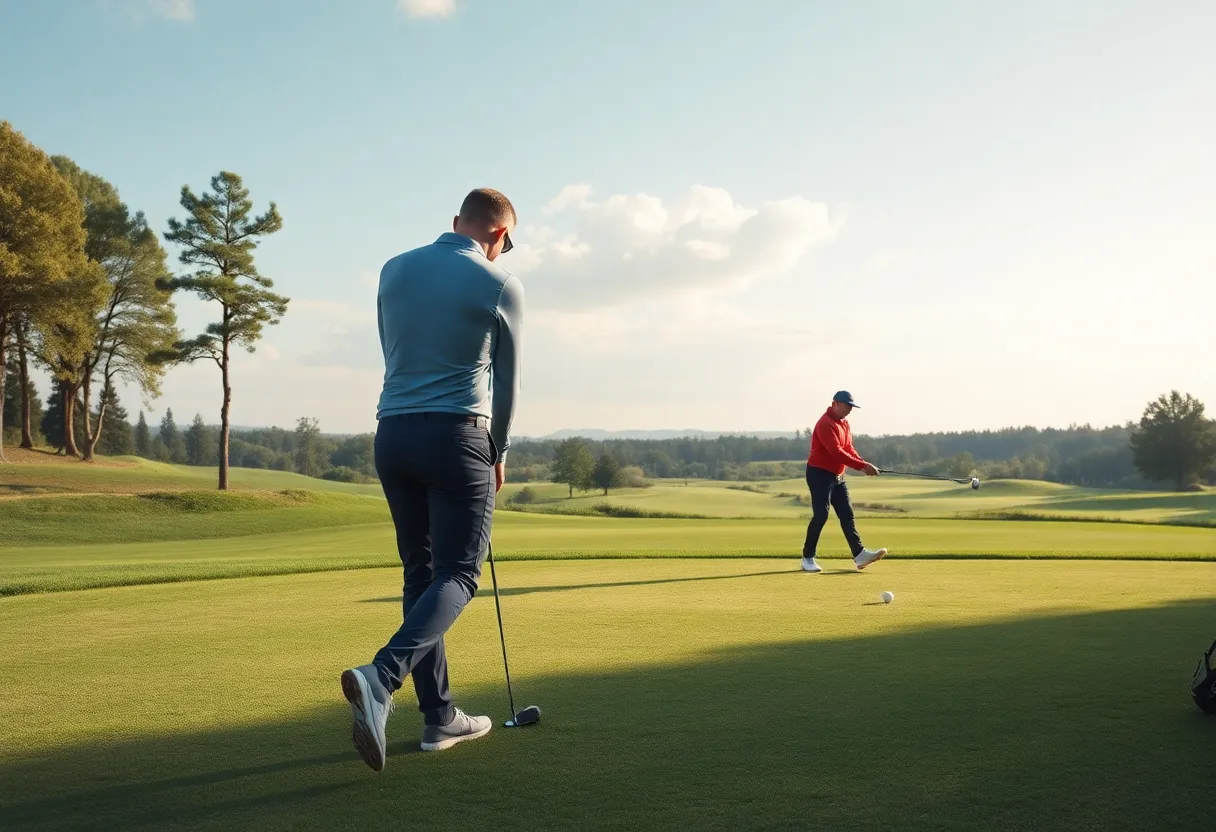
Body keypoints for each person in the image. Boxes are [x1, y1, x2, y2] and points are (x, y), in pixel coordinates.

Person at [340, 188, 524, 771]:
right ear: (497, 236)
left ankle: (439, 717)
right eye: (508, 242)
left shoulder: (393, 270)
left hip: (392, 434)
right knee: (460, 573)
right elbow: (507, 383)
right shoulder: (500, 283)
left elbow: (390, 349)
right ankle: (381, 677)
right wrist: (498, 450)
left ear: (456, 222)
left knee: (420, 573)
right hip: (457, 438)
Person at [800, 390, 887, 573]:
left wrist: (863, 463)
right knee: (821, 514)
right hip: (819, 474)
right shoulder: (825, 423)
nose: (849, 410)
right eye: (847, 406)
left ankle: (859, 555)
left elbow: (848, 448)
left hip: (838, 476)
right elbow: (836, 452)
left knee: (847, 515)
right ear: (835, 404)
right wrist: (862, 467)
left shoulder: (844, 424)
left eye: (851, 407)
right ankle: (808, 557)